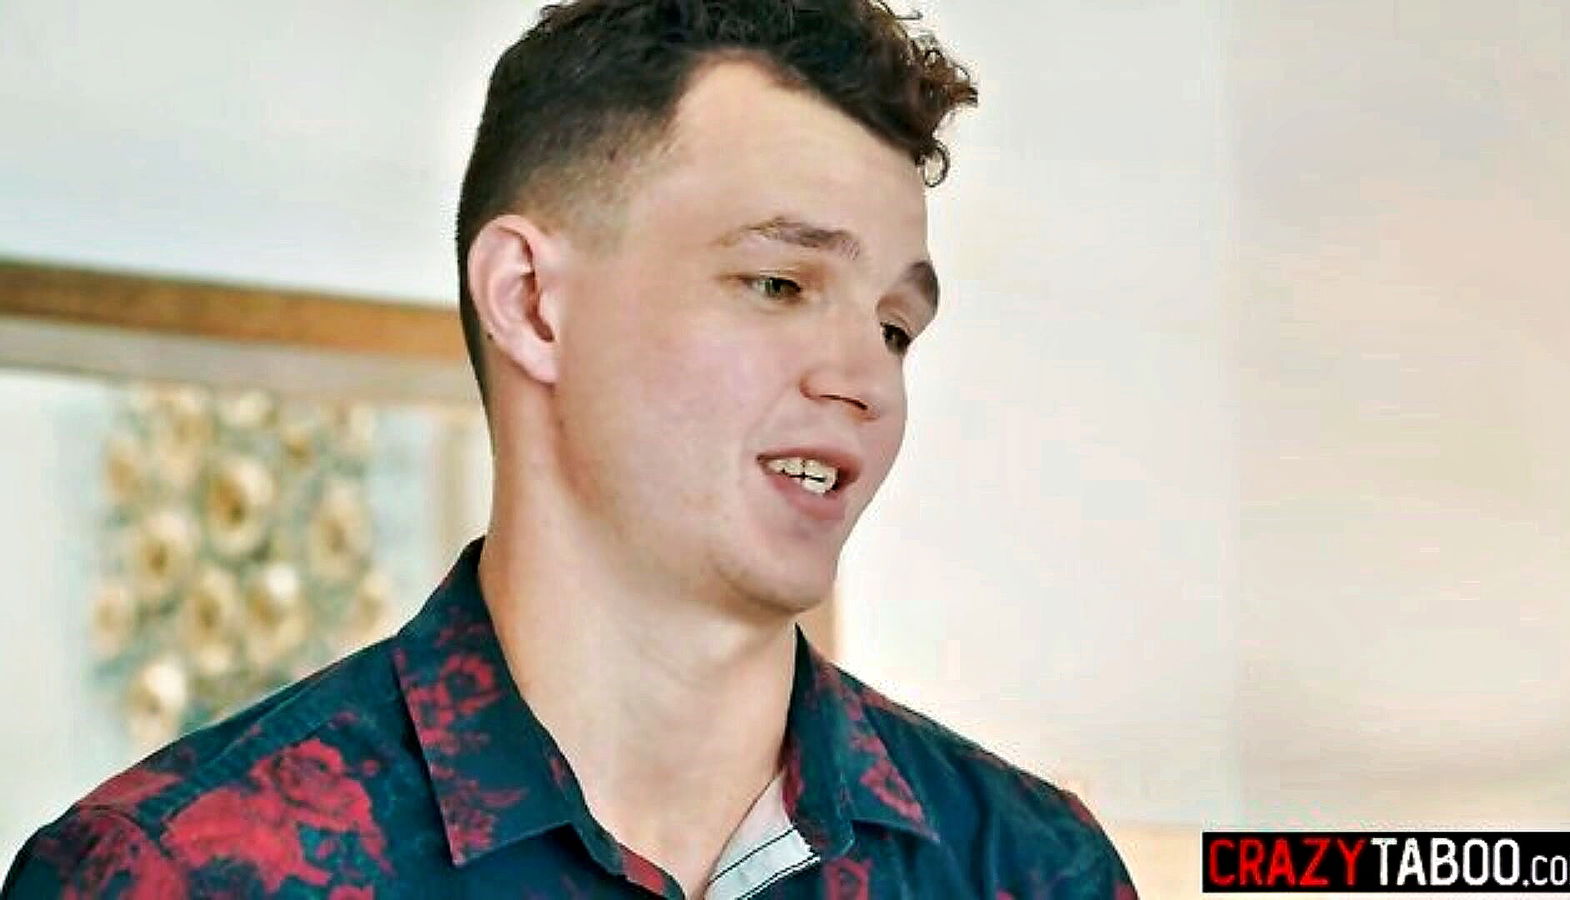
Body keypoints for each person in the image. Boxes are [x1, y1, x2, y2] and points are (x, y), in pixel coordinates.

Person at [4, 1, 1139, 896]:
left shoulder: (1028, 869)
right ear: (533, 303)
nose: (864, 381)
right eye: (778, 284)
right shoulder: (181, 874)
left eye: (893, 325)